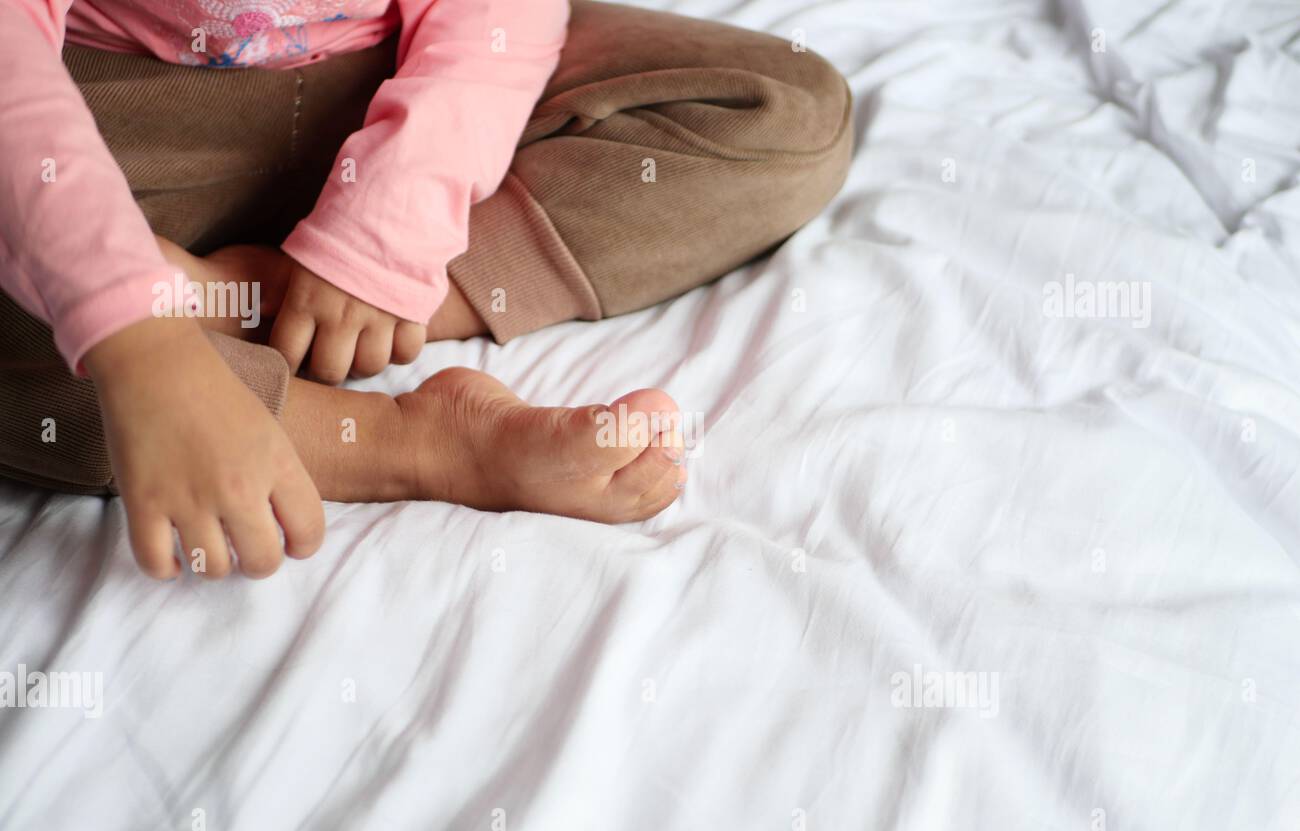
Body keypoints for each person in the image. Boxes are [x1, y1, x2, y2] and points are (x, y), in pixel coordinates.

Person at [0, 0, 853, 579]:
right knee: (61, 327)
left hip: (422, 68)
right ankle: (408, 441)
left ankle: (257, 294)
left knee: (784, 105)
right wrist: (136, 343)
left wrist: (385, 236)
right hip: (100, 113)